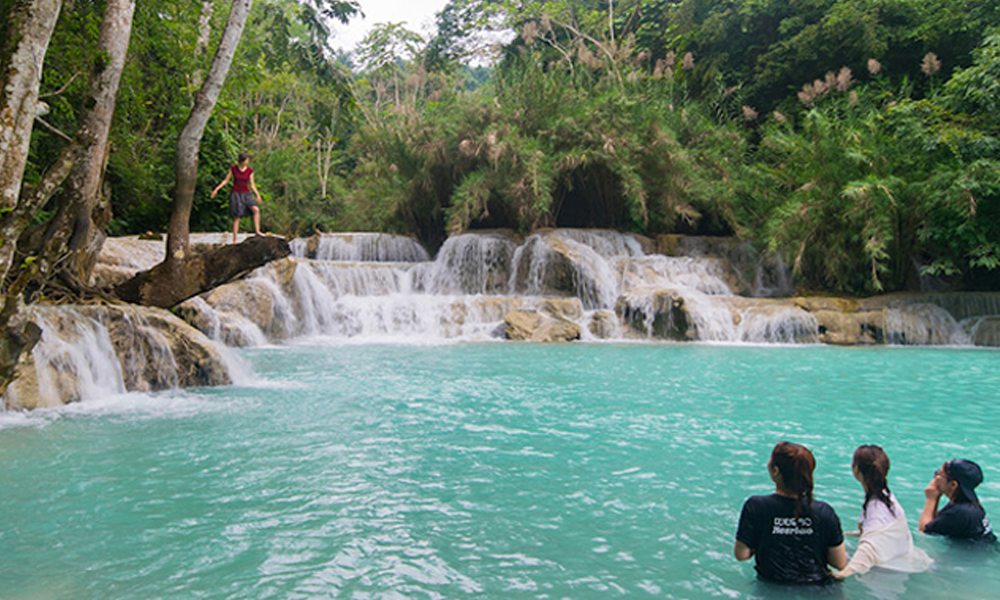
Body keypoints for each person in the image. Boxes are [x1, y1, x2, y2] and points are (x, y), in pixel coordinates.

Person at [735, 441, 847, 585]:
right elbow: (839, 563)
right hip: (818, 588)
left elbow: (741, 555)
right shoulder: (824, 512)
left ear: (775, 471)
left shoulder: (756, 506)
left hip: (772, 587)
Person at [834, 445, 931, 578]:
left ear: (856, 470)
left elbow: (869, 549)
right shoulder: (887, 498)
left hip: (883, 576)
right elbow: (881, 530)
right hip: (898, 566)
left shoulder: (876, 508)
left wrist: (840, 575)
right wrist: (846, 534)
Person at [919, 458, 996, 543]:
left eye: (938, 474)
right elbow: (936, 523)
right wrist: (936, 498)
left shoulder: (960, 512)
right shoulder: (968, 504)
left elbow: (923, 532)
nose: (935, 478)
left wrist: (931, 499)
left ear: (953, 484)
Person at [211, 152, 263, 243]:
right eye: (247, 160)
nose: (248, 161)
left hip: (246, 193)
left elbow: (252, 185)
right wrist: (216, 189)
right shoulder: (233, 169)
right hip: (236, 194)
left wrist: (257, 195)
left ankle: (257, 231)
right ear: (243, 161)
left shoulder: (250, 170)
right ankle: (235, 239)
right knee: (237, 217)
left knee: (256, 209)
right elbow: (226, 180)